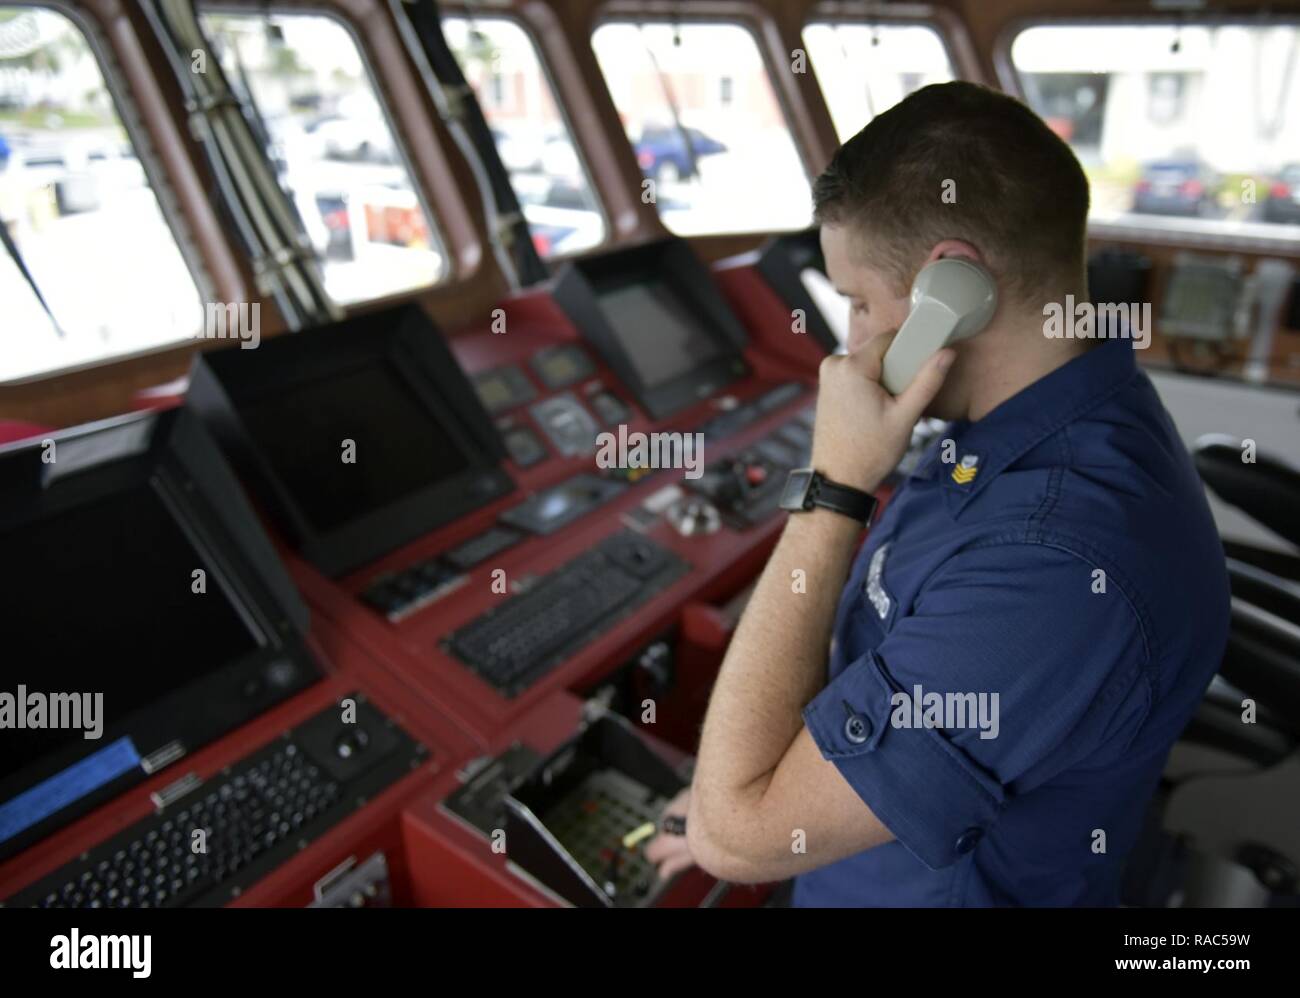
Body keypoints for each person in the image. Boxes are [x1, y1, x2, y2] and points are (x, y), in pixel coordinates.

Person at [645, 81, 1230, 906]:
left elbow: (733, 837)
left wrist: (833, 489)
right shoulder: (1032, 423)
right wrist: (753, 772)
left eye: (855, 303)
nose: (846, 348)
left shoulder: (1055, 566)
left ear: (950, 290)